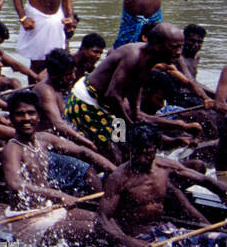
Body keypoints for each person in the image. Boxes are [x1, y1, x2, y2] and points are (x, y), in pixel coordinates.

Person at [1, 91, 114, 239]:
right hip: (27, 219)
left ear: (39, 116)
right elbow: (15, 183)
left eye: (31, 113)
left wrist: (117, 172)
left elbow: (83, 153)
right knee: (98, 228)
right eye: (20, 114)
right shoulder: (12, 148)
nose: (26, 118)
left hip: (48, 208)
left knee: (106, 220)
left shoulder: (44, 139)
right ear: (11, 119)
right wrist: (59, 195)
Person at [96, 125, 216, 247]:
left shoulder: (165, 167)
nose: (142, 159)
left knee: (221, 241)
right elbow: (103, 219)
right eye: (138, 153)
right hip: (139, 237)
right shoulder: (118, 178)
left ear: (155, 149)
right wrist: (128, 242)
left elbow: (205, 181)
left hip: (163, 230)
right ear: (131, 149)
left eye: (148, 153)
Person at [66, 22, 185, 153]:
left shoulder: (149, 57)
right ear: (157, 45)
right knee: (115, 152)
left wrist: (136, 113)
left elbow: (136, 87)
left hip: (108, 105)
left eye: (180, 47)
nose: (179, 53)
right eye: (174, 47)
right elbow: (112, 95)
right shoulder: (133, 57)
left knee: (123, 144)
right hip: (87, 102)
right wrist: (130, 124)